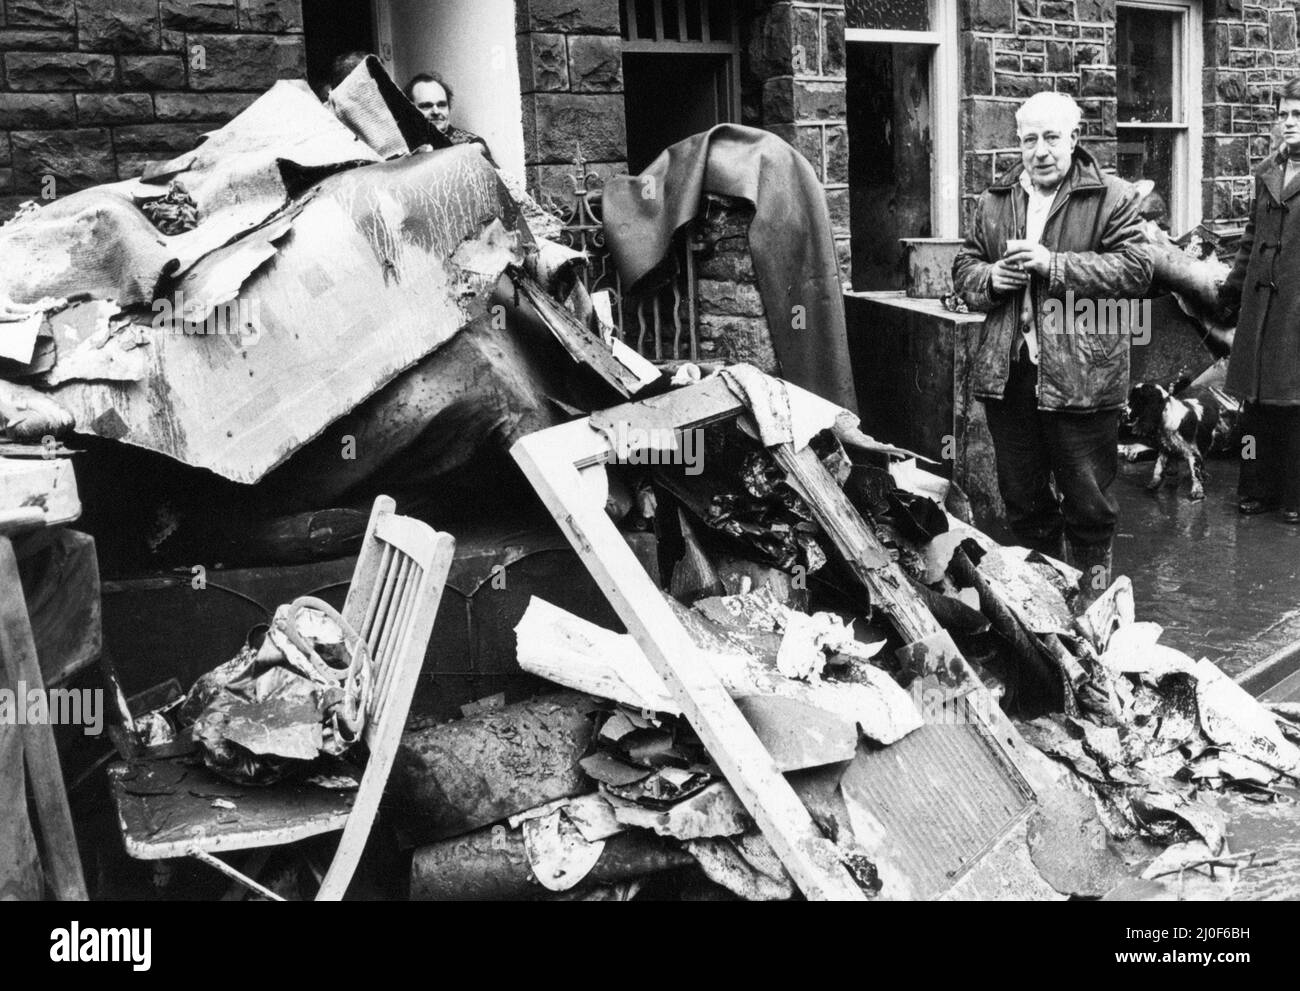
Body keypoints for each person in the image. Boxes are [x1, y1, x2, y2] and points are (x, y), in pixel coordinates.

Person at [952, 91, 1153, 606]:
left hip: (1082, 380)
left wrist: (1053, 264)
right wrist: (991, 277)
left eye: (1051, 138)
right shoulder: (995, 200)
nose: (1039, 151)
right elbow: (965, 267)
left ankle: (1093, 614)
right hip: (1010, 376)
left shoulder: (1110, 196)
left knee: (1089, 509)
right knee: (1024, 505)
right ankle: (1044, 615)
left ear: (1074, 139)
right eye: (1029, 140)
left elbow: (1136, 271)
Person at [1220, 76, 1300, 524]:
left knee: (1294, 407)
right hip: (1261, 307)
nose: (1288, 122)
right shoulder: (1267, 170)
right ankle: (1254, 488)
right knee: (1255, 407)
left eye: (1298, 114)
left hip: (1296, 309)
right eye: (1283, 114)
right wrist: (1232, 289)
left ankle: (1294, 495)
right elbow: (1252, 238)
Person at [404, 72, 495, 165]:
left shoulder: (471, 143)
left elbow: (495, 174)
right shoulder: (401, 149)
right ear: (410, 111)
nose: (436, 112)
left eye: (441, 105)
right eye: (426, 106)